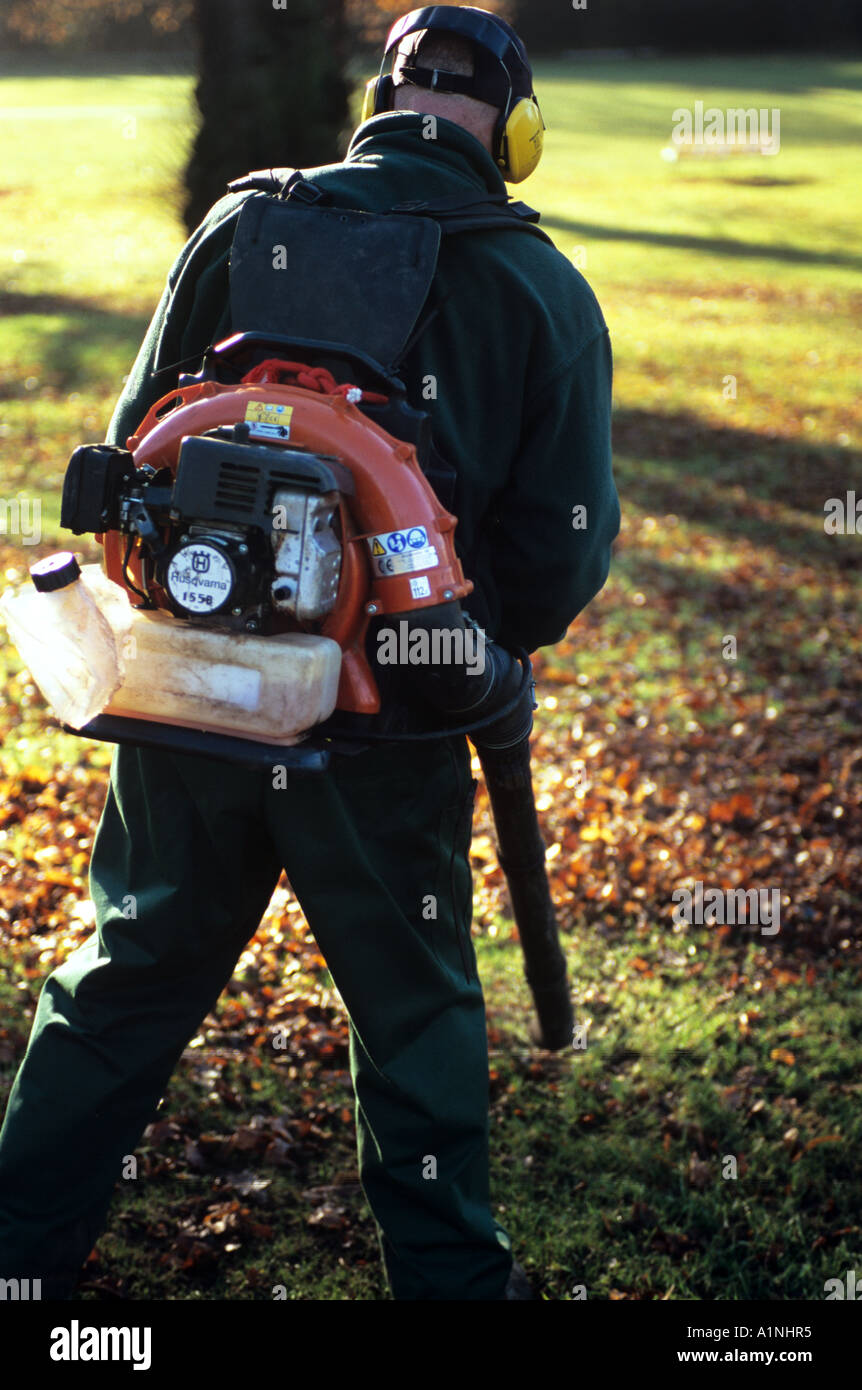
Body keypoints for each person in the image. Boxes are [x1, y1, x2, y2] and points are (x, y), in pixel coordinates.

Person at [0, 5, 619, 1300]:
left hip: (192, 694)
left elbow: (126, 451)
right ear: (514, 132)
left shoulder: (243, 222)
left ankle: (17, 1264)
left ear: (379, 97)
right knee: (414, 1015)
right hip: (387, 725)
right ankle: (450, 1283)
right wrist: (463, 639)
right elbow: (559, 560)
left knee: (120, 981)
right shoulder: (533, 282)